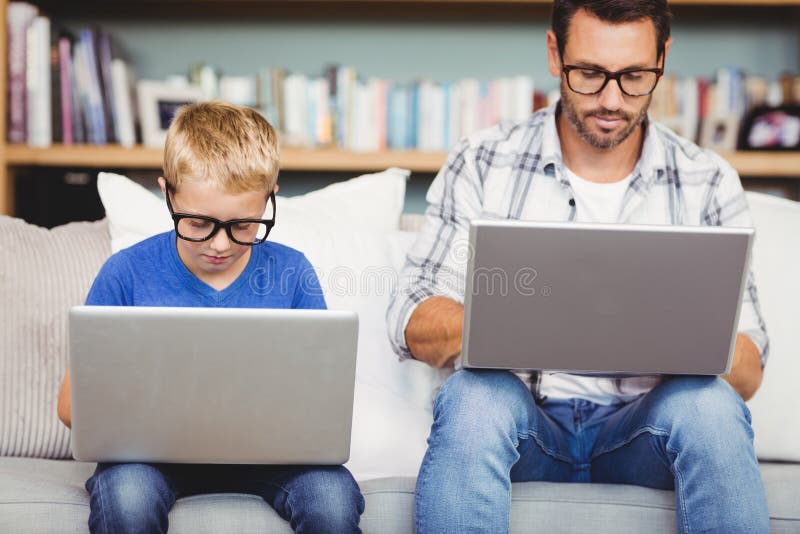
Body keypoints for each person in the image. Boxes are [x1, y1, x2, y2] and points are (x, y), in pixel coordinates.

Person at [386, 1, 770, 532]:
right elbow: (411, 323)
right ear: (553, 54)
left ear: (663, 58)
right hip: (523, 423)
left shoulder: (707, 179)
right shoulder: (482, 160)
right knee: (472, 396)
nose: (612, 100)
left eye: (635, 76)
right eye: (589, 74)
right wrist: (522, 318)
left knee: (711, 407)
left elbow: (748, 372)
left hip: (643, 432)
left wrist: (663, 329)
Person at [57, 102, 364, 534]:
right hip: (152, 460)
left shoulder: (293, 272)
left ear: (270, 197)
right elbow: (71, 406)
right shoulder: (126, 273)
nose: (220, 244)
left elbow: (323, 398)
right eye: (199, 222)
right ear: (168, 194)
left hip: (273, 458)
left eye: (243, 225)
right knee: (126, 496)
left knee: (331, 497)